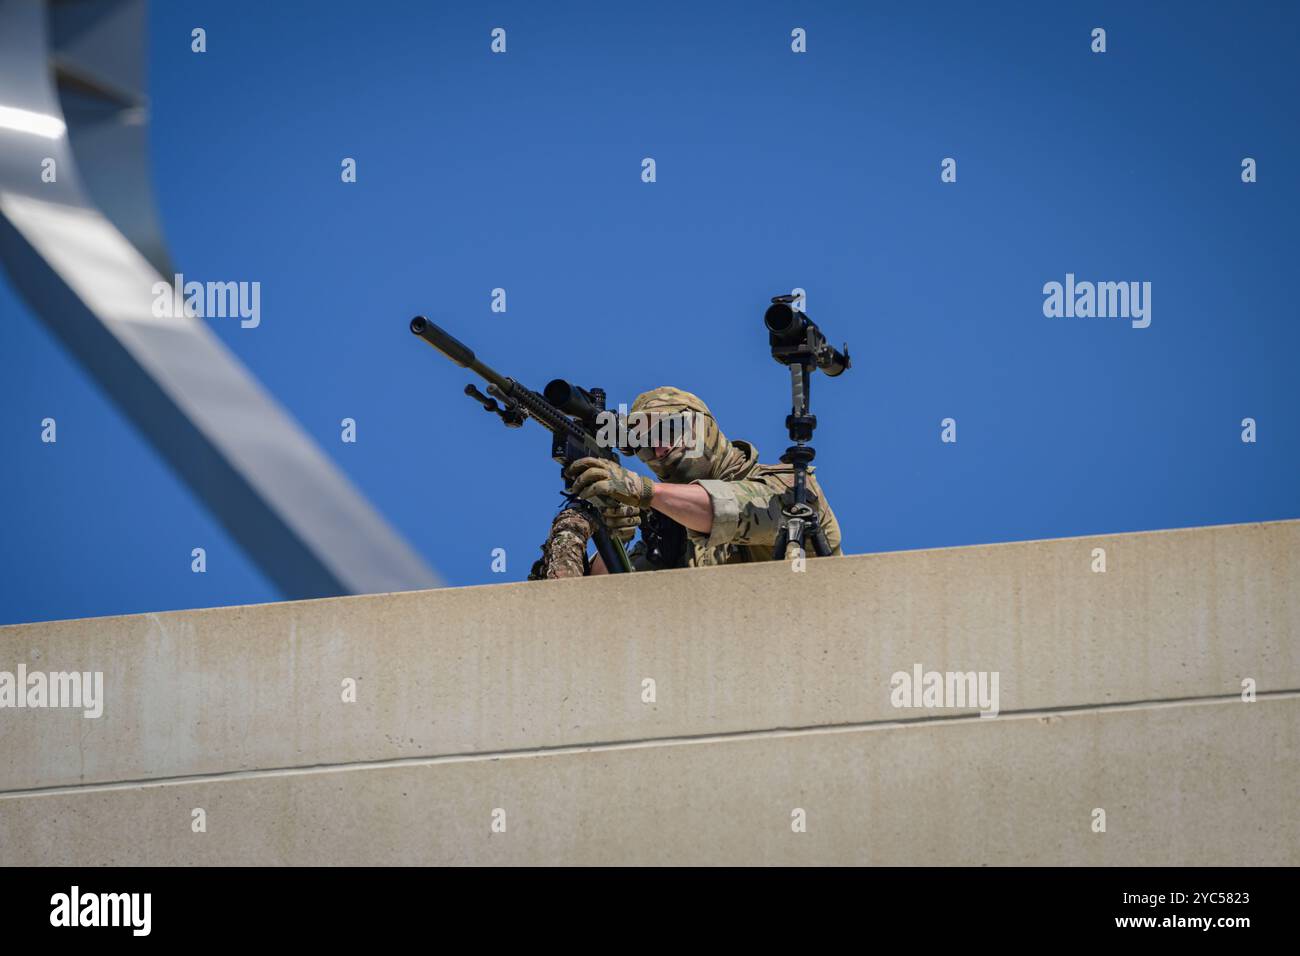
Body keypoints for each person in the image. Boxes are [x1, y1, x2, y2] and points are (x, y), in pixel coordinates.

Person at [563, 386, 842, 573]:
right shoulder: (671, 530)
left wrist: (644, 491)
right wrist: (613, 537)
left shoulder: (791, 487)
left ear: (703, 426)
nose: (659, 450)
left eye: (668, 430)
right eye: (645, 444)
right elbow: (607, 595)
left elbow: (732, 508)